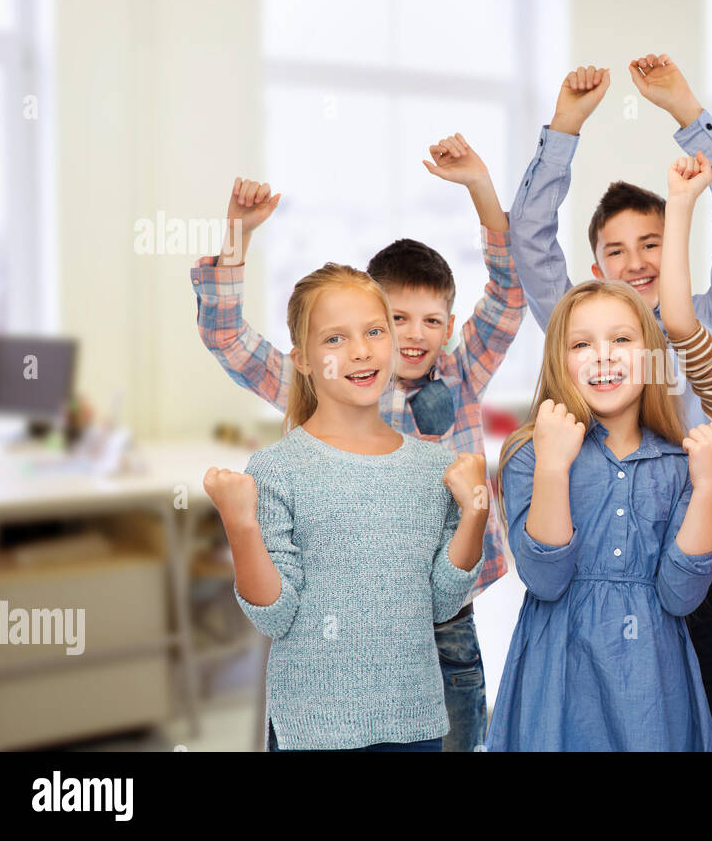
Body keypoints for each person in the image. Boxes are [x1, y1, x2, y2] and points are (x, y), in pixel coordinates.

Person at [189, 134, 522, 750]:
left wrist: (480, 188)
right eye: (390, 320)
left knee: (456, 735)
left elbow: (507, 295)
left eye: (427, 322)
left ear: (448, 328)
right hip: (326, 646)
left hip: (440, 619)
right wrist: (238, 236)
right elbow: (228, 335)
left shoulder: (461, 370)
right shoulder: (319, 385)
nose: (403, 339)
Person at [509, 54, 712, 750]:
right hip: (598, 582)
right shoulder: (581, 329)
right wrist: (564, 127)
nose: (637, 261)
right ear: (595, 270)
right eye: (616, 251)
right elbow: (528, 243)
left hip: (703, 576)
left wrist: (688, 112)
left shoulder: (707, 321)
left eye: (653, 242)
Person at [203, 261, 487, 751]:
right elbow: (274, 615)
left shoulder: (430, 468)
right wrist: (240, 524)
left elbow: (442, 603)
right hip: (312, 730)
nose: (360, 351)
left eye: (375, 331)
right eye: (335, 339)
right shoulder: (278, 469)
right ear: (304, 361)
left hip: (414, 724)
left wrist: (476, 513)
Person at [488, 279, 712, 750]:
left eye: (621, 339)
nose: (603, 356)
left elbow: (681, 596)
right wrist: (554, 467)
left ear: (653, 355)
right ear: (561, 361)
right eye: (581, 344)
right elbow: (545, 579)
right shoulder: (530, 453)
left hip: (651, 685)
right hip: (559, 676)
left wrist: (709, 487)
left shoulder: (679, 464)